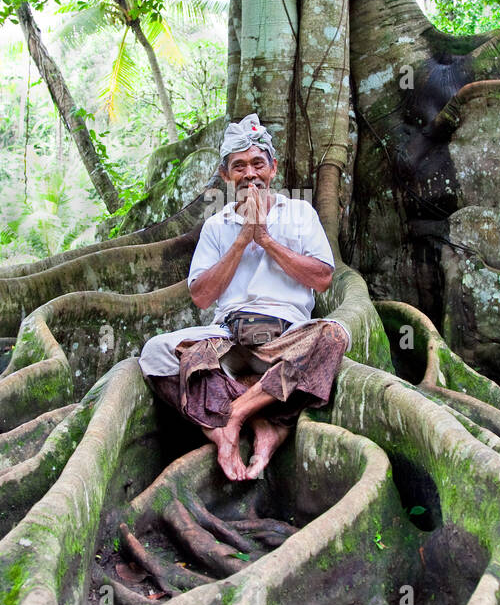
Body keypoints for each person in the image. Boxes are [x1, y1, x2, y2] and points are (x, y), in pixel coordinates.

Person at [138, 114, 352, 482]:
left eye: (257, 163)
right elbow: (202, 297)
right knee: (156, 353)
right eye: (239, 166)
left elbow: (322, 277)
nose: (249, 173)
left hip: (287, 340)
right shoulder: (216, 225)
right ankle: (261, 422)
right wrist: (241, 240)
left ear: (273, 169)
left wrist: (266, 239)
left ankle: (233, 415)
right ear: (226, 176)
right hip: (228, 340)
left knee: (334, 336)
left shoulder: (300, 213)